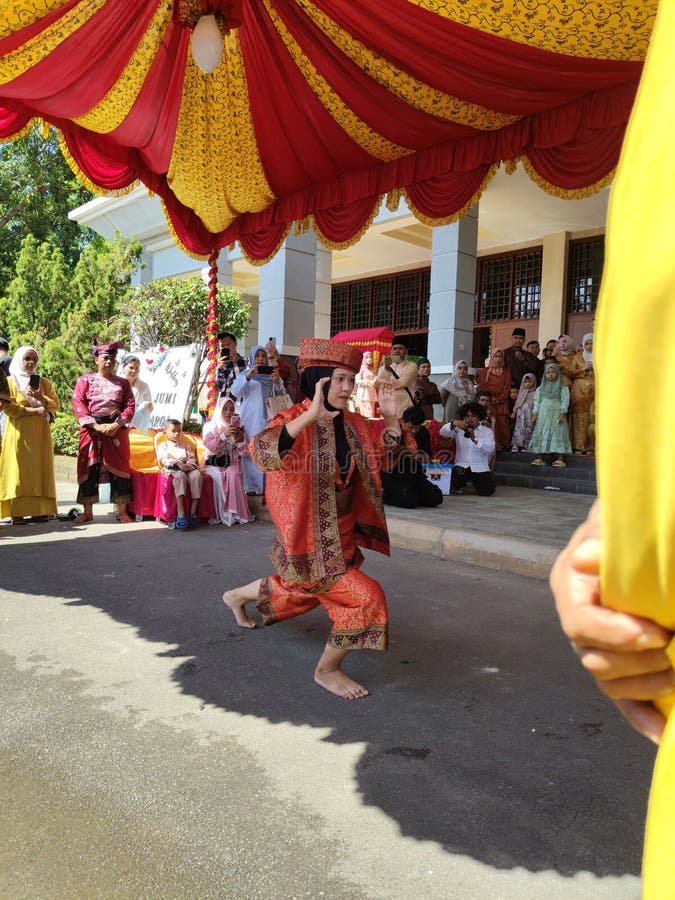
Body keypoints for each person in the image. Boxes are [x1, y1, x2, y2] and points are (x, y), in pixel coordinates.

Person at [222, 337, 401, 700]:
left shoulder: (354, 422)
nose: (347, 388)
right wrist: (309, 416)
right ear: (318, 379)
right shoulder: (292, 417)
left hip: (344, 531)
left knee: (299, 591)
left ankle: (234, 597)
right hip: (310, 537)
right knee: (367, 597)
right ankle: (327, 669)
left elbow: (387, 458)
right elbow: (262, 452)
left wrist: (394, 417)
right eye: (338, 380)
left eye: (351, 380)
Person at [72, 340, 135, 524]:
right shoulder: (85, 380)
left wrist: (116, 425)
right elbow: (78, 403)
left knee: (120, 469)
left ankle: (123, 512)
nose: (109, 362)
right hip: (91, 429)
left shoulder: (123, 383)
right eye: (105, 358)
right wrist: (95, 426)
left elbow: (130, 406)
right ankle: (87, 512)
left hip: (116, 429)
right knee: (88, 468)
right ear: (96, 360)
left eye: (112, 358)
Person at [0, 345, 59, 523]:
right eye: (27, 358)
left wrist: (42, 398)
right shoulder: (10, 382)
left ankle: (40, 511)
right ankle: (17, 513)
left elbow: (55, 405)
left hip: (41, 433)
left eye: (34, 358)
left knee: (40, 469)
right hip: (18, 432)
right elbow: (9, 407)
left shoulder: (44, 383)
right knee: (18, 470)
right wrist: (34, 411)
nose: (31, 362)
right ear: (19, 360)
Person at [230, 345, 287, 495]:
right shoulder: (245, 374)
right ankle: (252, 487)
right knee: (250, 451)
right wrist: (249, 376)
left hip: (269, 420)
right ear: (252, 358)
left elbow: (282, 395)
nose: (261, 359)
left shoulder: (272, 375)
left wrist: (276, 382)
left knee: (266, 451)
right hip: (250, 419)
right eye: (257, 356)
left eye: (263, 356)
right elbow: (235, 392)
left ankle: (266, 488)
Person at [202, 397, 254, 526]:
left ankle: (234, 514)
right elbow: (210, 446)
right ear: (219, 409)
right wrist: (224, 435)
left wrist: (240, 439)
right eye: (225, 409)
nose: (228, 413)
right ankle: (221, 513)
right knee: (219, 476)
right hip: (214, 462)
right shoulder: (210, 425)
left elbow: (244, 453)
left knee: (234, 474)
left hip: (231, 461)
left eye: (231, 410)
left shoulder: (237, 426)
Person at [380, 406, 443, 509]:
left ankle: (410, 493)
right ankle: (388, 494)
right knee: (410, 501)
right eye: (411, 427)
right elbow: (389, 452)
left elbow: (427, 457)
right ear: (403, 422)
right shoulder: (393, 431)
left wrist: (419, 455)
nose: (413, 431)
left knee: (436, 497)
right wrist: (406, 452)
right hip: (394, 475)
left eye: (417, 428)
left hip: (415, 474)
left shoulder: (423, 432)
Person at [439, 401, 496, 496]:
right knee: (452, 484)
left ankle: (476, 484)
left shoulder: (487, 432)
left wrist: (475, 439)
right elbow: (442, 432)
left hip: (479, 467)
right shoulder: (458, 430)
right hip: (461, 466)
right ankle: (460, 485)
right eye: (467, 416)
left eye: (473, 416)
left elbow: (489, 448)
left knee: (487, 491)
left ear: (479, 417)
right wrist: (453, 423)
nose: (470, 419)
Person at [157, 418, 204, 529]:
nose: (177, 433)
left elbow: (192, 457)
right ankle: (181, 513)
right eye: (173, 431)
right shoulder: (164, 445)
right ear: (165, 432)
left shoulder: (185, 446)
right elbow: (163, 459)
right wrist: (178, 464)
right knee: (180, 476)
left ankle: (193, 511)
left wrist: (188, 465)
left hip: (188, 468)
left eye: (179, 431)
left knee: (197, 475)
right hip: (174, 469)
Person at [527, 361, 571, 467]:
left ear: (558, 373)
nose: (550, 374)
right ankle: (540, 457)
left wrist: (563, 412)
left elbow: (565, 400)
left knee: (558, 432)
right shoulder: (540, 389)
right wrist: (535, 413)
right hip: (543, 414)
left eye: (553, 372)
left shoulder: (562, 388)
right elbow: (537, 401)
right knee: (542, 431)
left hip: (557, 413)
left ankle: (560, 457)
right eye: (548, 372)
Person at [476, 349, 511, 450]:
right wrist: (490, 398)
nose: (498, 359)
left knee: (502, 423)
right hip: (489, 402)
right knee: (492, 423)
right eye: (496, 356)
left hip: (502, 402)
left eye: (500, 357)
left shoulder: (507, 371)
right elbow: (483, 385)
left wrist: (500, 399)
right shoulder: (486, 371)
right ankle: (493, 445)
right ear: (492, 357)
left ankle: (503, 445)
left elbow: (507, 386)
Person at [375, 337, 418, 417]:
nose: (397, 351)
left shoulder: (412, 366)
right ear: (391, 351)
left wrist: (384, 385)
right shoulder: (383, 368)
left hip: (405, 411)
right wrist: (387, 371)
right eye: (394, 348)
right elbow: (377, 385)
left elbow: (402, 383)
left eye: (401, 348)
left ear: (406, 351)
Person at [121, 355, 154, 433]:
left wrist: (149, 406)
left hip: (135, 425)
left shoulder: (144, 386)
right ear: (123, 369)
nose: (134, 371)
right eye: (131, 368)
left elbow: (150, 406)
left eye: (137, 368)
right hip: (117, 422)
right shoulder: (116, 383)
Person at [439, 359, 476, 423]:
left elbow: (472, 397)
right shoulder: (450, 381)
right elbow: (442, 396)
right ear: (456, 369)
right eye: (460, 368)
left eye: (464, 368)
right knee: (451, 427)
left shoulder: (469, 383)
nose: (462, 370)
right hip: (452, 409)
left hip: (465, 411)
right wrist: (448, 405)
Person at [215, 331, 247, 400]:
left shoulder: (246, 362)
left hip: (244, 405)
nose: (226, 348)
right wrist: (220, 368)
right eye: (222, 346)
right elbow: (219, 388)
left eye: (228, 344)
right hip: (228, 407)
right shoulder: (218, 365)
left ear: (235, 343)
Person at [510, 373, 537, 452]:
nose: (527, 384)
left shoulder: (535, 393)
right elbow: (517, 403)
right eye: (526, 382)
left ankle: (526, 446)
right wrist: (514, 412)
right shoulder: (521, 393)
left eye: (530, 382)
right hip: (521, 414)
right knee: (518, 428)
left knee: (528, 429)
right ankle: (515, 445)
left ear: (534, 382)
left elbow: (536, 404)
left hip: (530, 413)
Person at [353, 350, 378, 418]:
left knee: (371, 411)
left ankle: (370, 427)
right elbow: (357, 380)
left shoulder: (372, 368)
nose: (369, 359)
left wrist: (374, 381)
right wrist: (367, 382)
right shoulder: (361, 367)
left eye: (370, 357)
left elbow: (375, 377)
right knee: (364, 412)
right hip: (363, 392)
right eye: (367, 357)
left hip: (371, 392)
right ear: (363, 358)